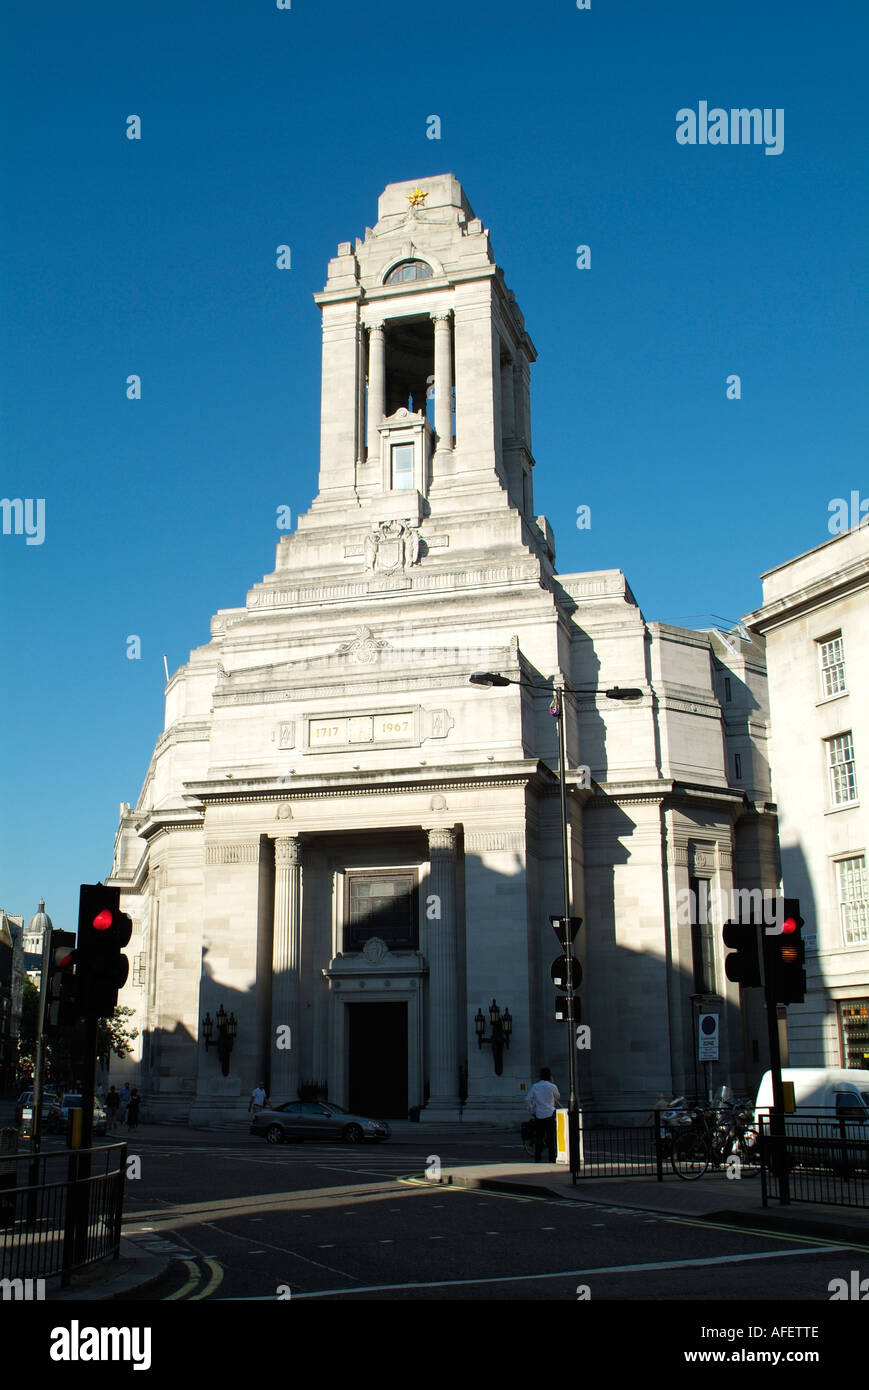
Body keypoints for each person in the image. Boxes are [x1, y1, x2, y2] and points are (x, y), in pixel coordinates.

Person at [527, 1067, 561, 1163]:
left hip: (539, 1115)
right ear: (549, 1076)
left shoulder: (535, 1086)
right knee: (551, 1137)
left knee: (539, 1137)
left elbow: (527, 1099)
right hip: (550, 1114)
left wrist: (531, 1109)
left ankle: (537, 1157)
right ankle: (552, 1157)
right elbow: (558, 1096)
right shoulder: (552, 1086)